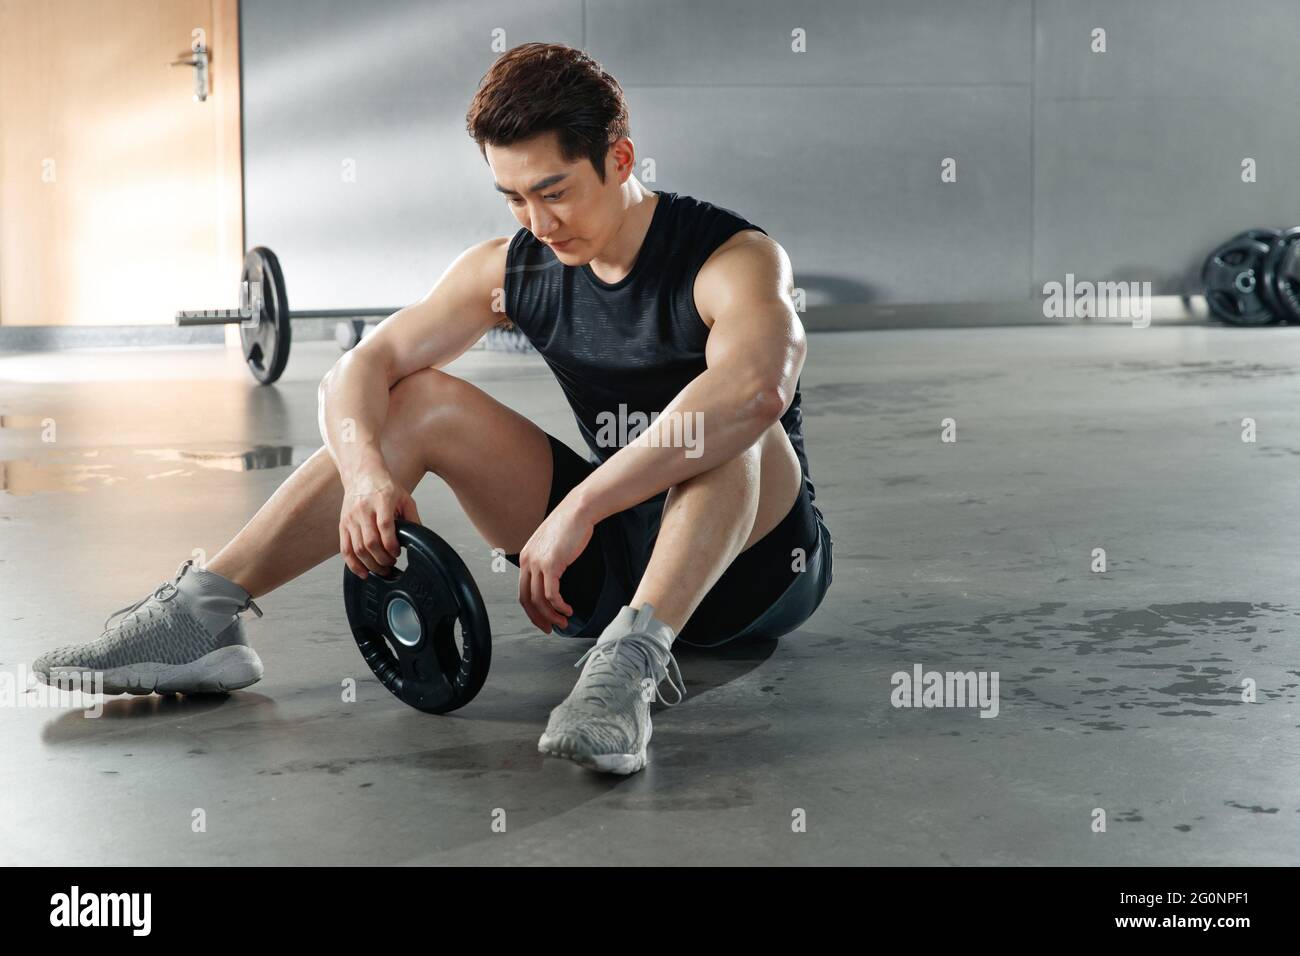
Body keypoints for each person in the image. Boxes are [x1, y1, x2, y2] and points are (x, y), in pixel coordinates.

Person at [33, 41, 833, 775]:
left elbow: (757, 390)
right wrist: (366, 474)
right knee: (414, 399)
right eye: (514, 198)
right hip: (602, 559)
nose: (537, 223)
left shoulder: (729, 257)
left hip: (753, 569)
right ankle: (202, 617)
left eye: (554, 192)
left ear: (619, 158)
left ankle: (630, 665)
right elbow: (362, 366)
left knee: (739, 431)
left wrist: (581, 503)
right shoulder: (513, 267)